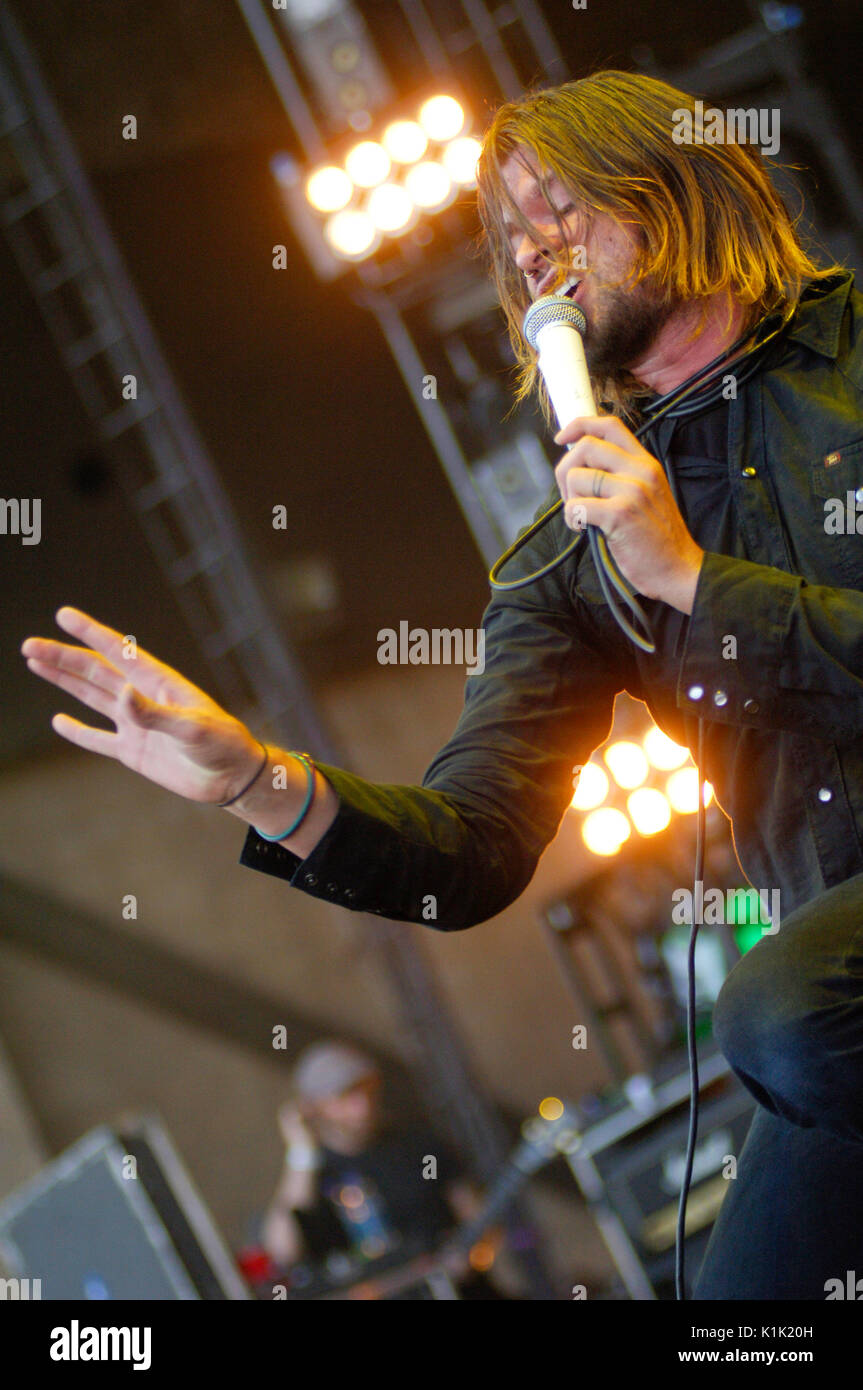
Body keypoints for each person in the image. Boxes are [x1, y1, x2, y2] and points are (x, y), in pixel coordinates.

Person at [19, 68, 863, 1299]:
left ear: (673, 184)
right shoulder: (575, 552)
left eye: (557, 210)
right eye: (513, 240)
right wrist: (260, 780)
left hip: (807, 1006)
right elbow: (466, 848)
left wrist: (689, 579)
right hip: (835, 1009)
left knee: (772, 1009)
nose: (534, 256)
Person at [256, 1040, 499, 1298]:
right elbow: (282, 1252)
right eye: (345, 1095)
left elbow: (479, 1215)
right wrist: (301, 1154)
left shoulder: (420, 1144)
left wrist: (474, 1253)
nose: (362, 1105)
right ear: (312, 1107)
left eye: (366, 1090)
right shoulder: (311, 1175)